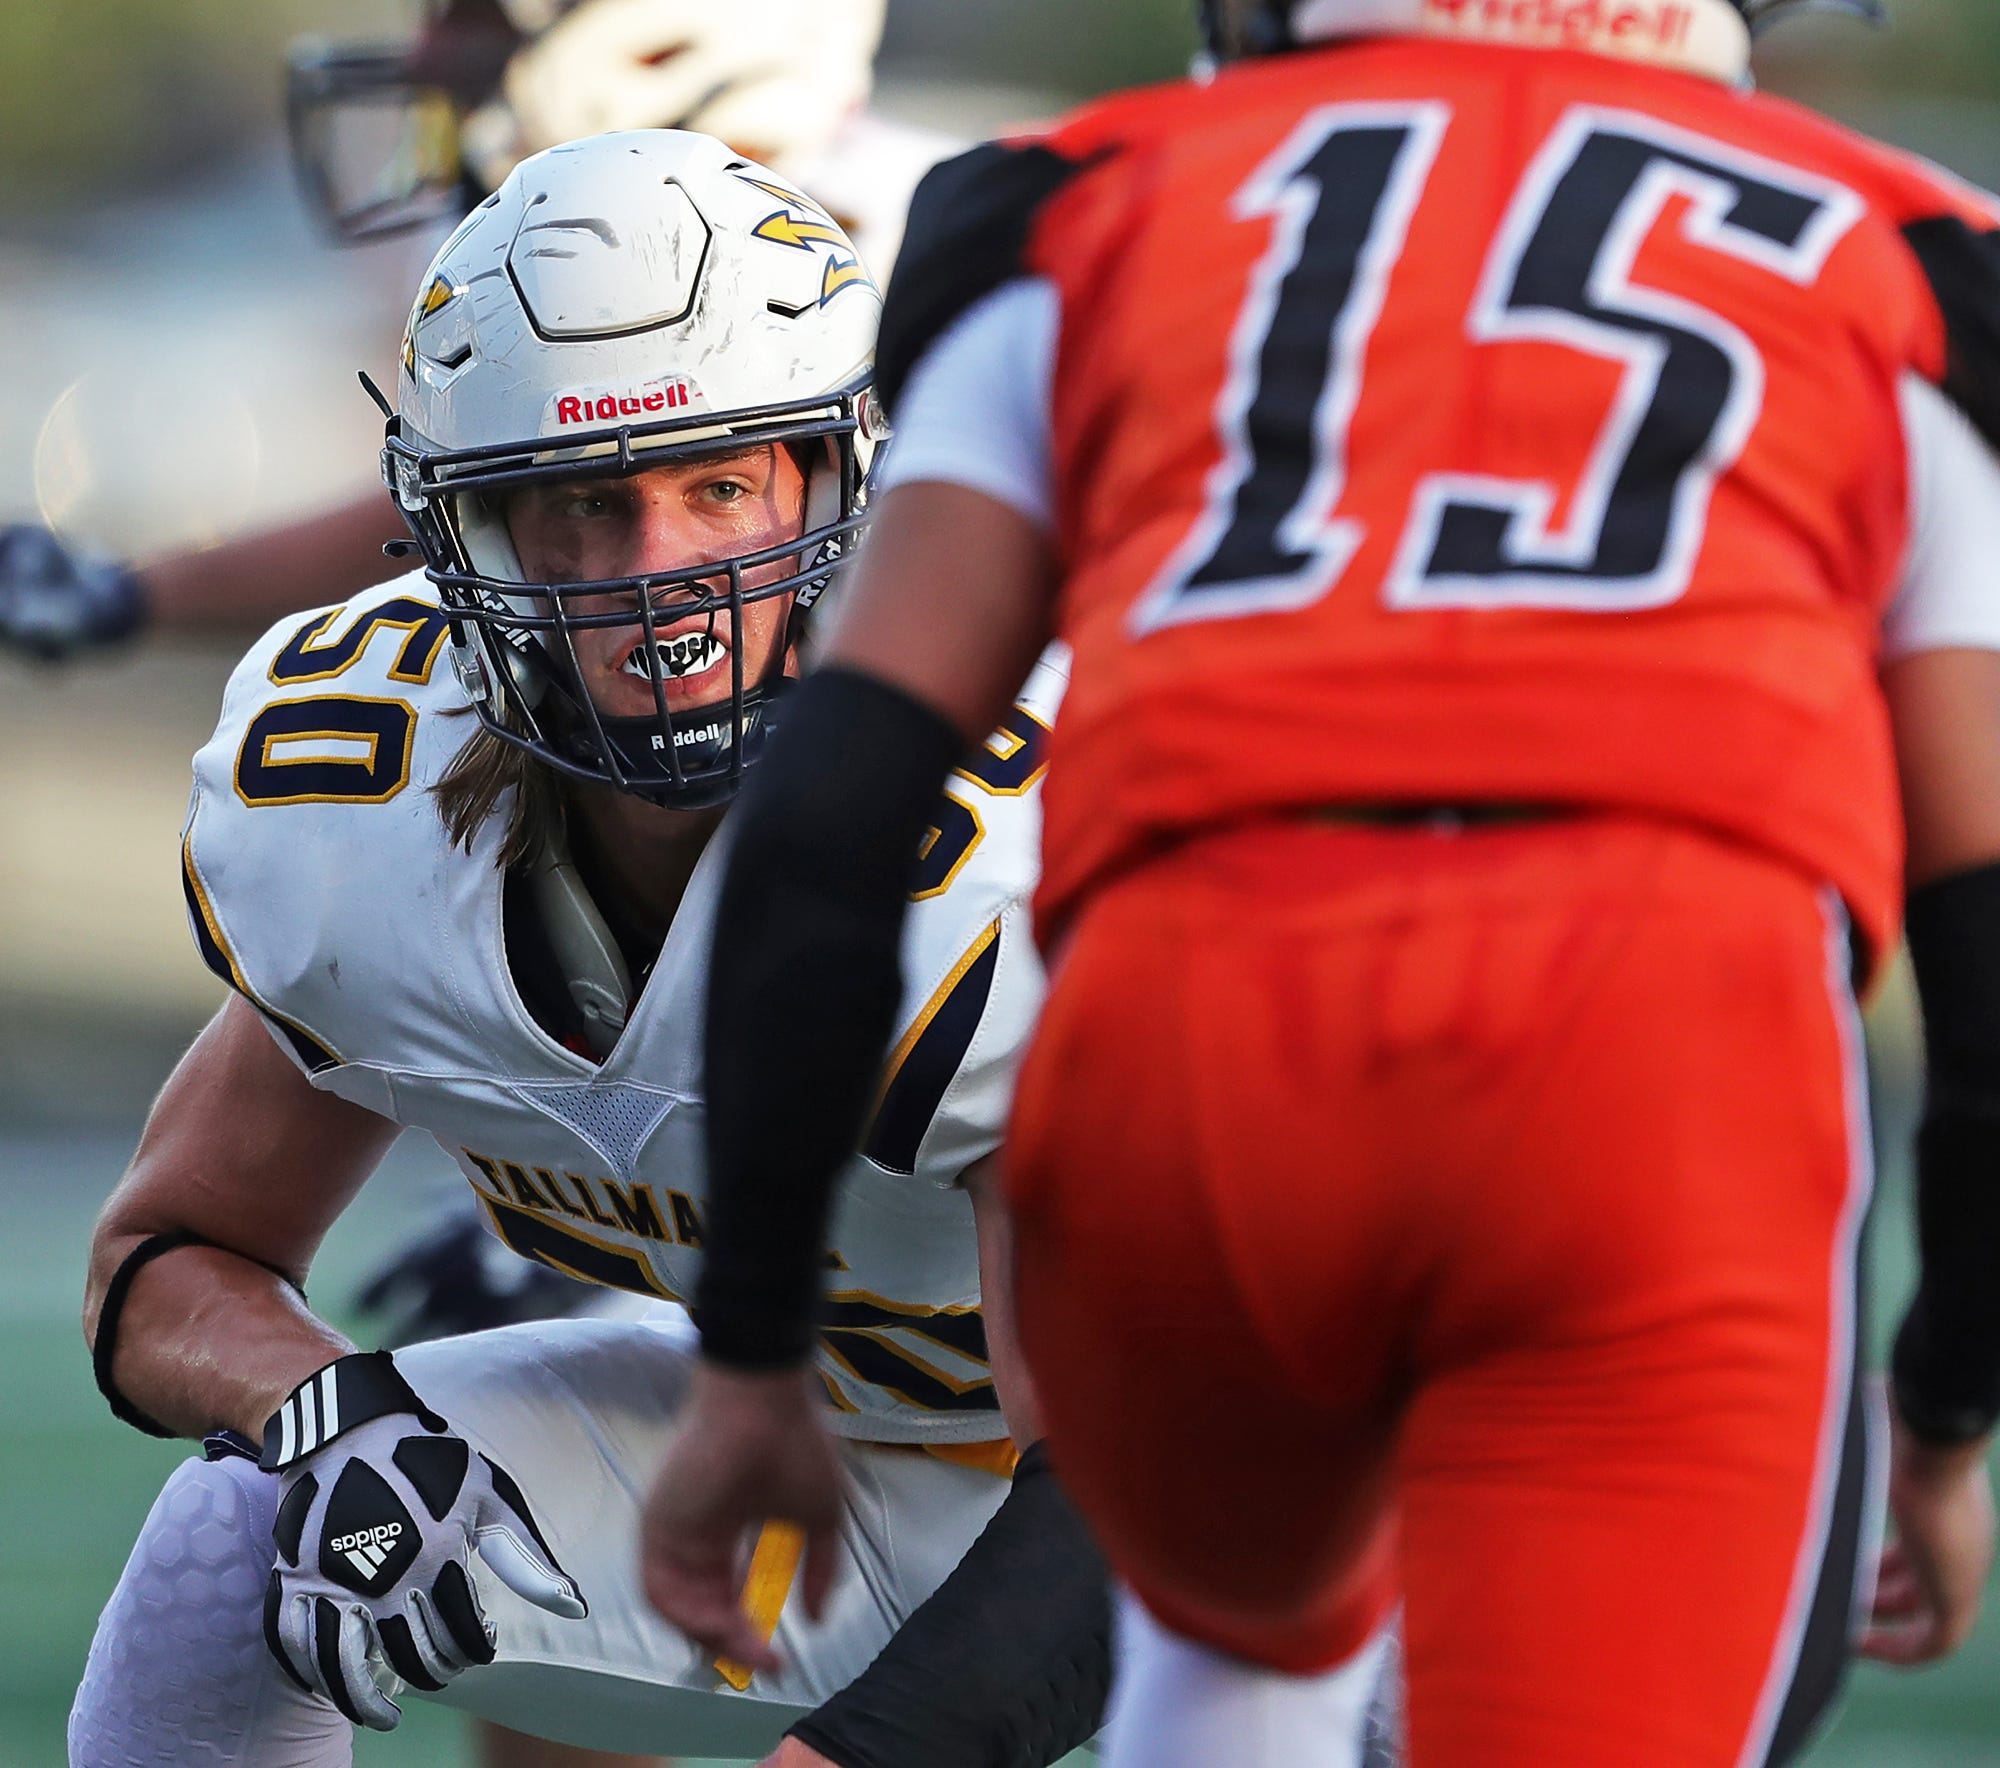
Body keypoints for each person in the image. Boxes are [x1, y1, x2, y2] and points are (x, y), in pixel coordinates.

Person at [644, 1, 2000, 1764]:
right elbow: (1984, 938)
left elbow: (833, 805)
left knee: (1230, 1671)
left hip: (1200, 1034)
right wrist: (1952, 1411)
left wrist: (748, 1350)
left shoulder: (1069, 202)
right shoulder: (1906, 254)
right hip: (1656, 1053)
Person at [69, 129, 1108, 1768]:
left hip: (1228, 1521)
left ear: (841, 484)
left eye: (720, 485)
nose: (661, 580)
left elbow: (1128, 1514)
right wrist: (325, 1405)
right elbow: (165, 1255)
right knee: (245, 1541)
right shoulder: (365, 814)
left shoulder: (996, 860)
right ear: (465, 536)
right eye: (579, 503)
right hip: (814, 1463)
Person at [0, 0, 955, 663]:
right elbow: (462, 517)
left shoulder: (954, 257)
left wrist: (135, 594)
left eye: (484, 22)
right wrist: (132, 592)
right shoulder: (638, 243)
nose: (433, 55)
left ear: (657, 43)